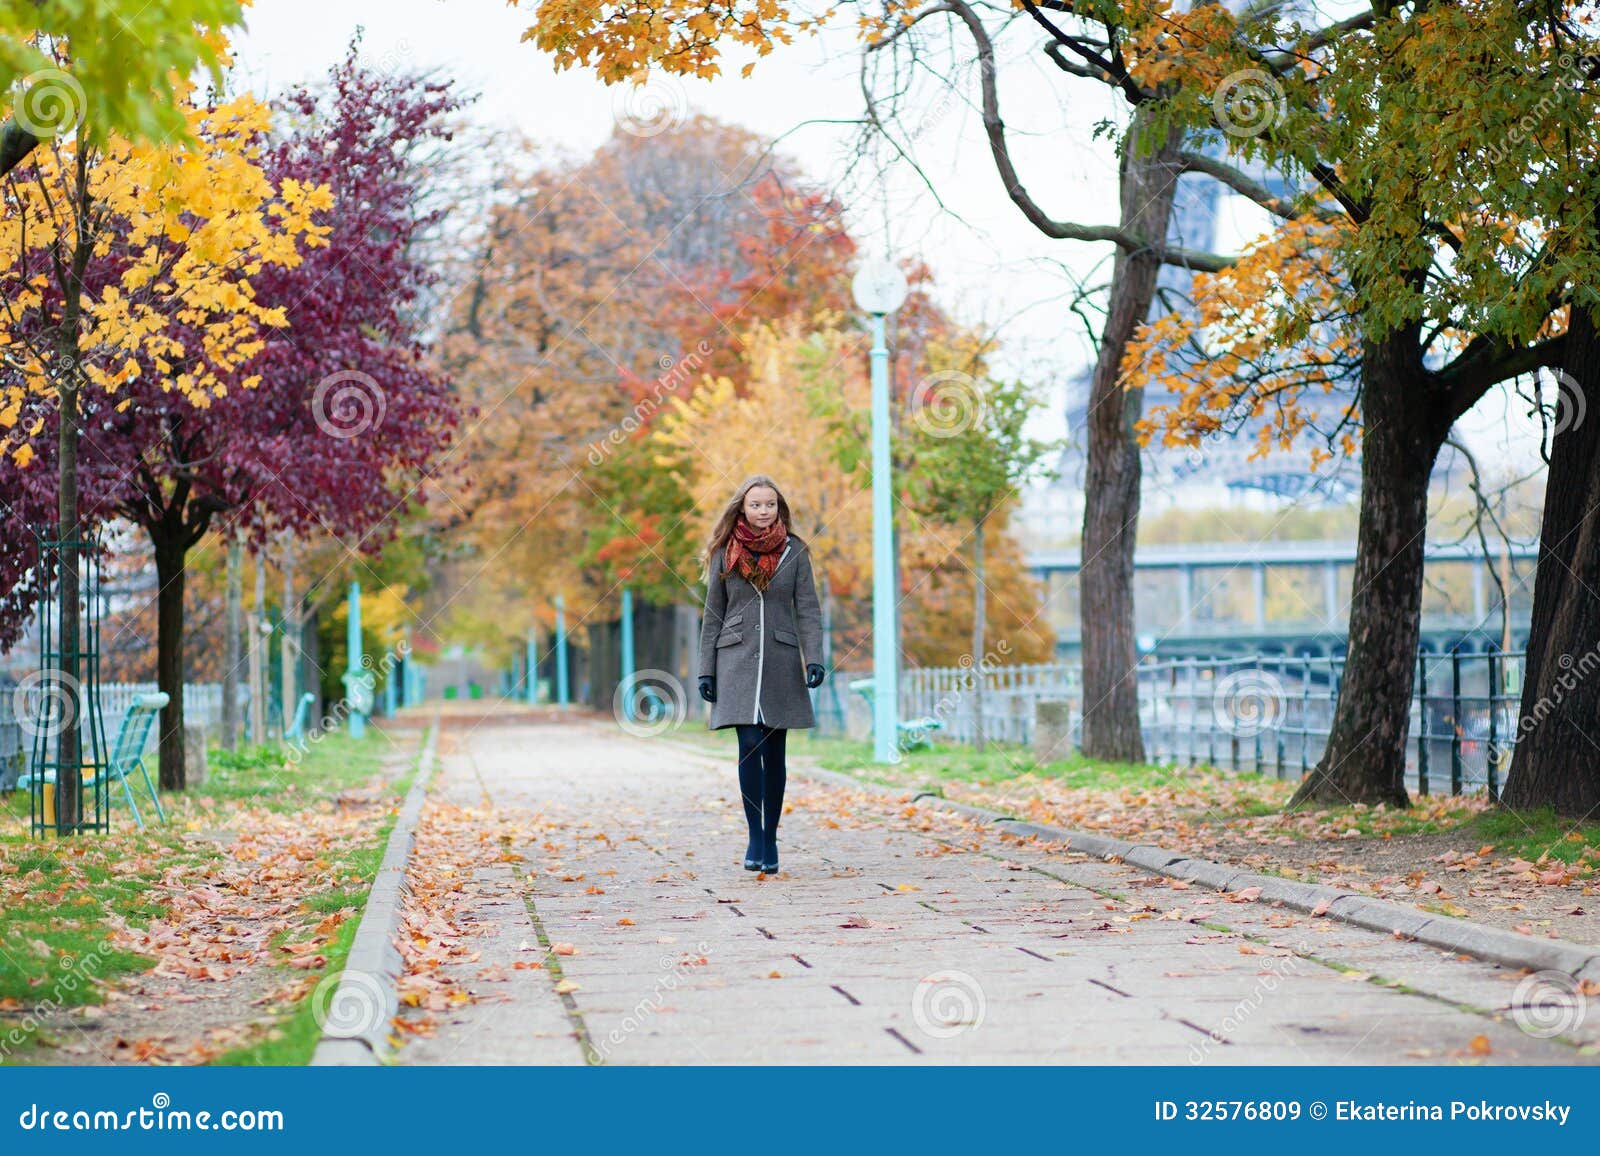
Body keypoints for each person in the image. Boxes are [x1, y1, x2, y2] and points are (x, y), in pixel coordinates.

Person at [696, 475, 826, 874]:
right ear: (743, 508)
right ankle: (755, 835)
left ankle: (771, 838)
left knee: (774, 750)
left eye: (770, 504)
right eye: (756, 504)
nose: (763, 510)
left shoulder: (795, 551)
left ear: (778, 508)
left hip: (780, 662)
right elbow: (713, 612)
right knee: (749, 743)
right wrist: (706, 669)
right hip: (734, 660)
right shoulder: (724, 552)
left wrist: (814, 657)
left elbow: (807, 608)